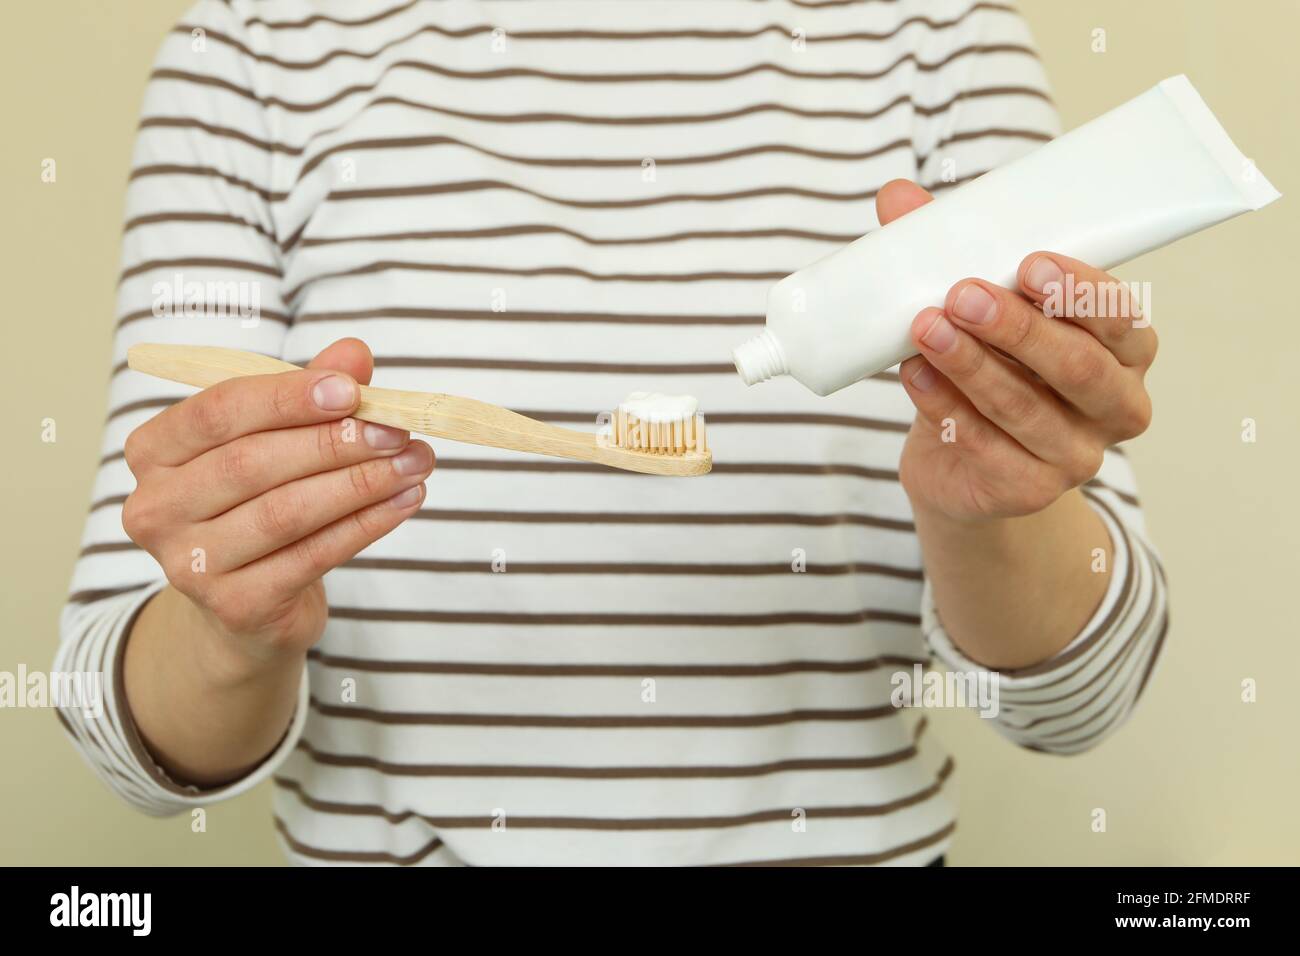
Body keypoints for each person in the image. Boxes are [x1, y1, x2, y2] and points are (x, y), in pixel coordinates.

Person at [56, 0, 1167, 865]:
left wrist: (981, 511)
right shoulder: (253, 46)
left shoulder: (939, 37)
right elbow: (131, 732)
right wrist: (236, 622)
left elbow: (1085, 694)